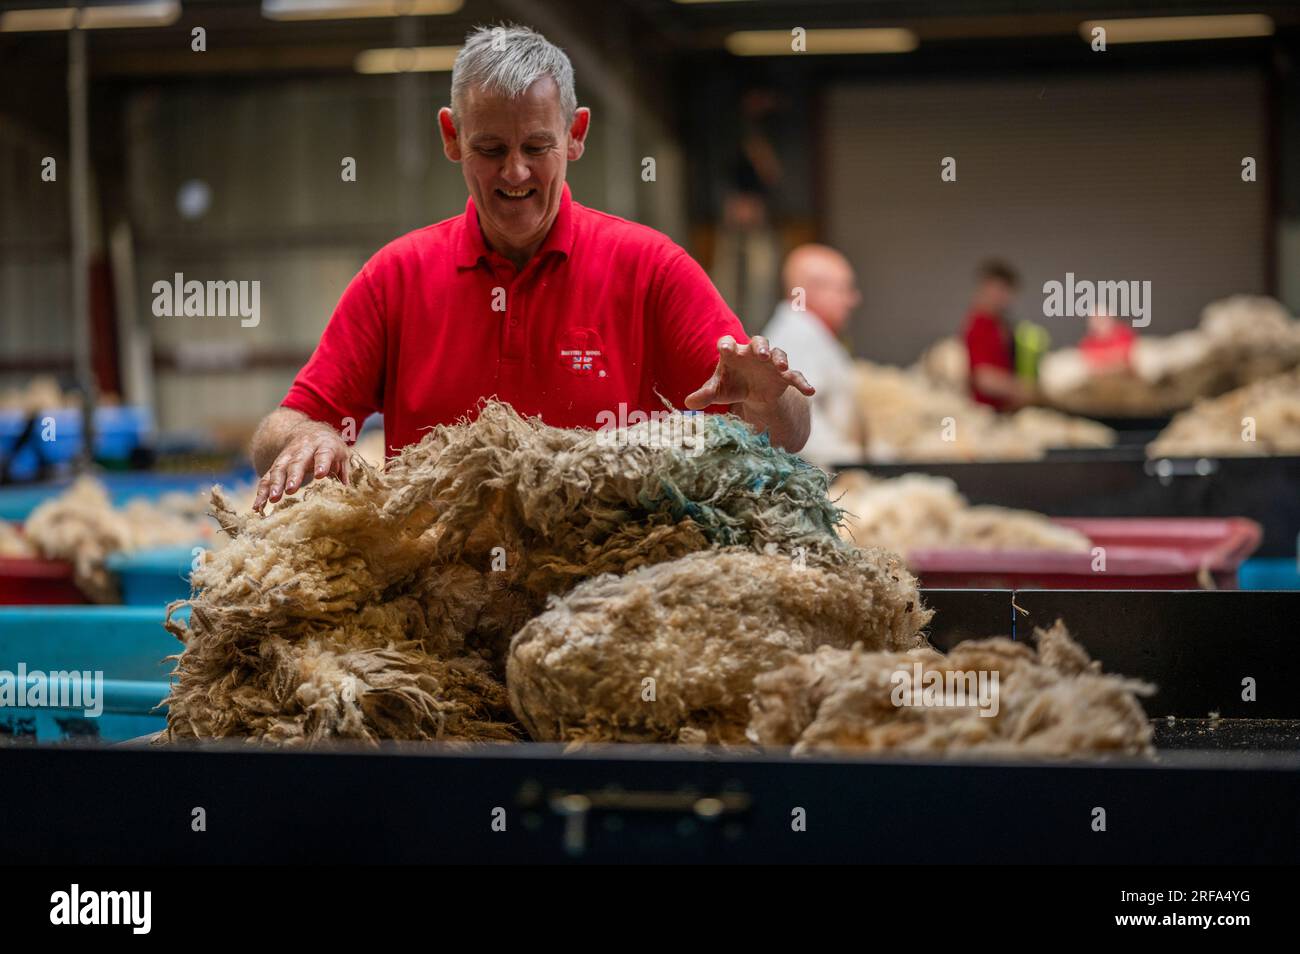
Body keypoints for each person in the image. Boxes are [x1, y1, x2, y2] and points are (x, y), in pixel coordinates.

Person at [252, 25, 812, 512]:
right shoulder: (394, 278)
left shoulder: (651, 269)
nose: (514, 171)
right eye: (491, 148)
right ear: (452, 137)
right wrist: (308, 437)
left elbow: (787, 434)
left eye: (537, 146)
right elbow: (281, 427)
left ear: (575, 135)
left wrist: (770, 402)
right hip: (438, 606)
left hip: (605, 597)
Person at [760, 244, 869, 466]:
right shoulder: (795, 336)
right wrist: (851, 463)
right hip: (818, 474)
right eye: (844, 289)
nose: (853, 300)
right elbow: (801, 420)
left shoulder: (811, 332)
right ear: (813, 289)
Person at [963, 259, 1033, 411]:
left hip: (1004, 408)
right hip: (985, 411)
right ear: (985, 288)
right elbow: (984, 379)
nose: (1003, 297)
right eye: (999, 290)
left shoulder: (1002, 324)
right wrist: (1026, 389)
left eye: (1007, 291)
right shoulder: (980, 325)